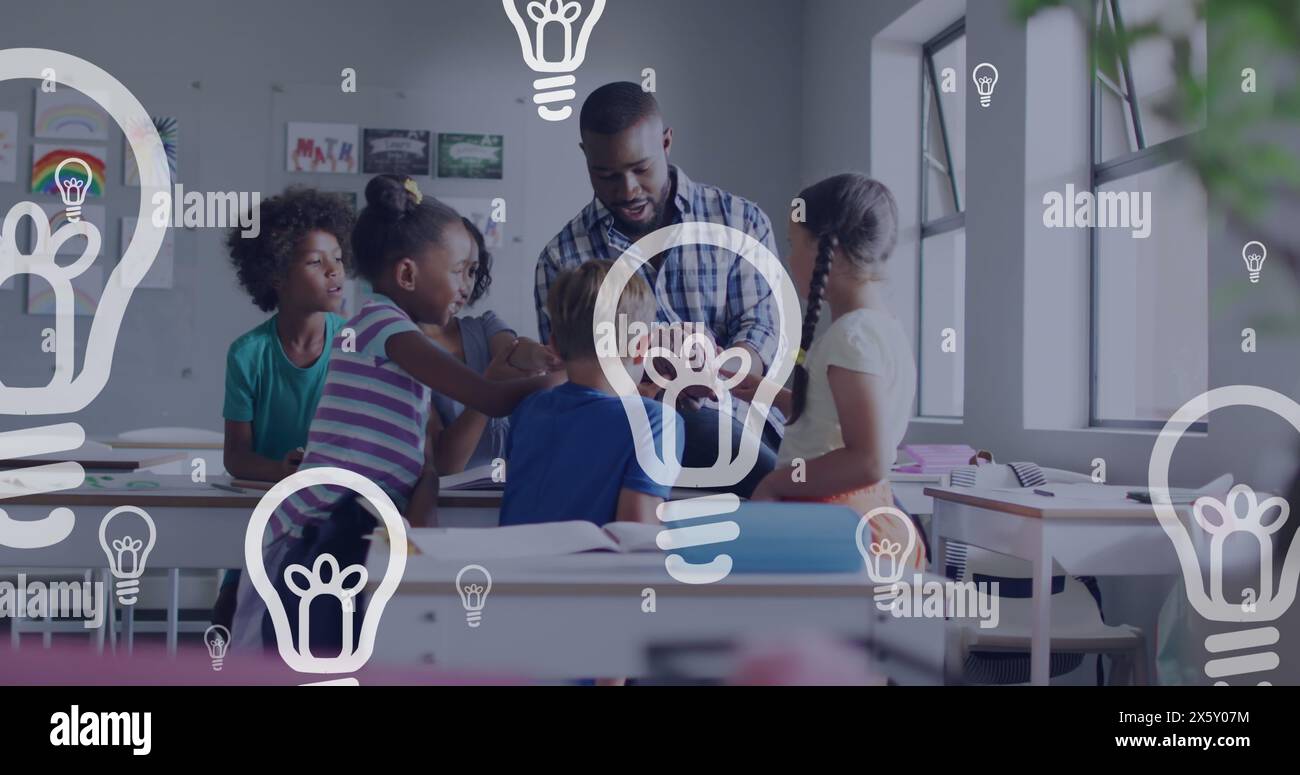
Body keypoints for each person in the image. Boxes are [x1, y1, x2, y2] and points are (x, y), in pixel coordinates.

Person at [230, 175, 551, 651]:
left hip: (348, 528)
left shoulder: (386, 330)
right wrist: (566, 376)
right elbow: (488, 399)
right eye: (459, 271)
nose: (467, 287)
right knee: (299, 662)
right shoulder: (386, 328)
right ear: (406, 275)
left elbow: (431, 459)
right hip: (315, 532)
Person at [535, 81, 781, 496]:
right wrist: (650, 387)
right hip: (620, 440)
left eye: (641, 169)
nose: (627, 190)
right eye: (607, 175)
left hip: (740, 426)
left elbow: (763, 330)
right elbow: (570, 374)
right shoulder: (562, 258)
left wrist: (715, 373)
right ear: (585, 157)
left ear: (666, 143)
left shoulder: (741, 222)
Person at [742, 173, 924, 571]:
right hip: (867, 511)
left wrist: (778, 482)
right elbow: (826, 419)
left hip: (836, 521)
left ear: (831, 250)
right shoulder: (881, 328)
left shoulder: (851, 338)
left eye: (794, 245)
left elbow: (868, 458)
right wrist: (754, 389)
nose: (789, 259)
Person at [214, 188, 354, 630]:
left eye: (338, 259)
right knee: (230, 621)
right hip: (264, 522)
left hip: (335, 522)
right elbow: (235, 457)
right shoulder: (247, 354)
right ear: (276, 275)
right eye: (316, 262)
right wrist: (284, 471)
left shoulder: (356, 345)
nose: (335, 272)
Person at [500, 261, 681, 527]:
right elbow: (637, 532)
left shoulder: (529, 409)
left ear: (554, 346)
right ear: (643, 346)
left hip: (513, 564)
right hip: (589, 567)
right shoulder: (656, 422)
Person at [420, 217, 561, 474]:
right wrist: (489, 388)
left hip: (506, 493)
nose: (465, 284)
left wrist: (542, 356)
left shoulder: (485, 326)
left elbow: (515, 350)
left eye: (472, 271)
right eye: (456, 270)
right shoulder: (407, 351)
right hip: (454, 504)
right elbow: (445, 465)